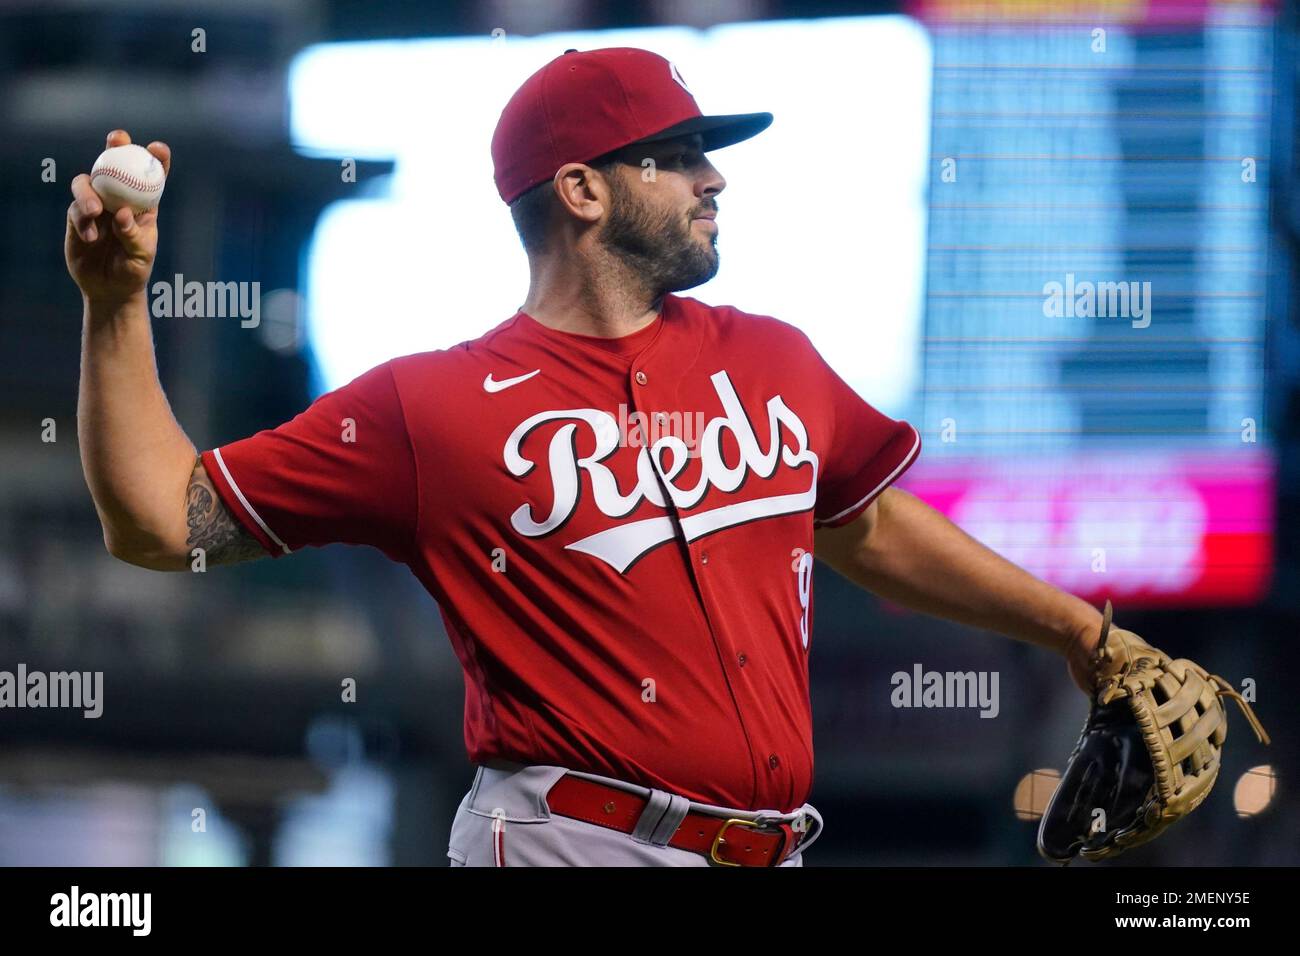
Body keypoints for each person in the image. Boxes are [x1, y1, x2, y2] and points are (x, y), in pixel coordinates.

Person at [66, 47, 1104, 867]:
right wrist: (116, 307)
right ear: (582, 189)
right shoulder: (428, 406)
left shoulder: (773, 358)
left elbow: (865, 525)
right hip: (575, 840)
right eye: (680, 153)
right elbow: (164, 517)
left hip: (772, 845)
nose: (715, 177)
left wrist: (1082, 631)